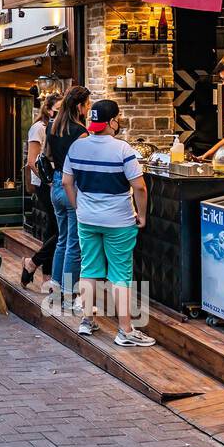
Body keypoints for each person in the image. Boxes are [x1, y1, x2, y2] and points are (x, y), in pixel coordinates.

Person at [63, 100, 153, 346]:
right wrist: (142, 215)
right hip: (119, 220)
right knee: (120, 274)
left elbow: (66, 182)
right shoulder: (123, 150)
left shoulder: (77, 147)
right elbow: (139, 187)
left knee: (89, 269)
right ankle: (125, 330)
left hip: (87, 218)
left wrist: (77, 206)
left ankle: (86, 320)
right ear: (112, 121)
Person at [47, 85, 91, 304]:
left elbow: (48, 155)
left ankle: (55, 285)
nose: (89, 109)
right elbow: (83, 165)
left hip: (55, 184)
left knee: (62, 239)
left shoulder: (52, 127)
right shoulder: (80, 132)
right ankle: (68, 293)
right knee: (74, 243)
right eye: (88, 105)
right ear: (80, 106)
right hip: (71, 185)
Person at [21, 91, 61, 288]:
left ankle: (43, 271)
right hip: (45, 184)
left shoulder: (57, 127)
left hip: (55, 182)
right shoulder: (39, 128)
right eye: (58, 109)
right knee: (60, 229)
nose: (61, 113)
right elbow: (31, 161)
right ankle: (36, 264)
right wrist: (49, 181)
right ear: (48, 109)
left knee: (54, 228)